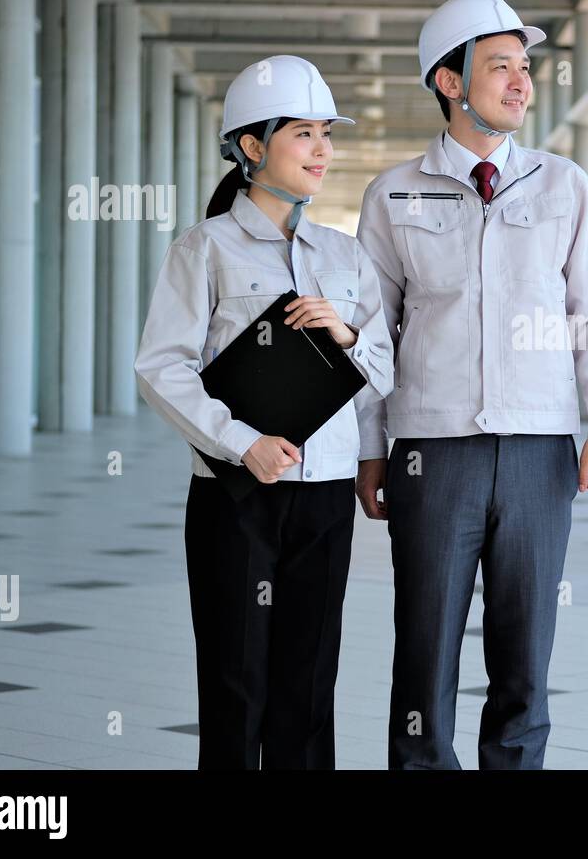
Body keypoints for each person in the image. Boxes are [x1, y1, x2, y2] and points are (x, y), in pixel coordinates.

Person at [353, 0, 588, 769]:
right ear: (449, 81)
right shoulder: (393, 195)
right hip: (432, 452)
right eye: (500, 66)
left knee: (524, 654)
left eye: (525, 67)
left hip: (542, 449)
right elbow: (372, 338)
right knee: (425, 650)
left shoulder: (562, 185)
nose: (521, 83)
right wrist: (370, 450)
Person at [134, 55, 394, 769]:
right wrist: (240, 441)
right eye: (304, 134)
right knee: (234, 683)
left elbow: (382, 372)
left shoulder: (344, 256)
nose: (322, 150)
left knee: (309, 689)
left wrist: (343, 334)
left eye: (326, 135)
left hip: (324, 499)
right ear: (253, 148)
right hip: (234, 498)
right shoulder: (205, 248)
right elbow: (160, 367)